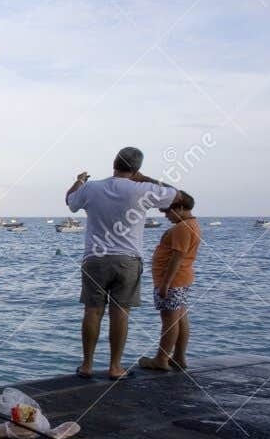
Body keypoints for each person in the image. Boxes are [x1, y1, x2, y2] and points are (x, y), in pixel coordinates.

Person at [63, 146, 181, 380]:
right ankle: (115, 367)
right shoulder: (142, 189)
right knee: (120, 313)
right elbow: (175, 194)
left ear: (114, 163)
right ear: (136, 168)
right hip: (128, 260)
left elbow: (70, 201)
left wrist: (78, 182)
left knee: (92, 311)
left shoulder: (91, 188)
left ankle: (86, 365)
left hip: (95, 258)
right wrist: (143, 177)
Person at [139, 191, 200, 372]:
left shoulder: (182, 228)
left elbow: (177, 257)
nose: (166, 216)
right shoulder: (192, 224)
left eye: (167, 212)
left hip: (173, 281)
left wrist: (165, 283)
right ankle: (179, 357)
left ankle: (161, 359)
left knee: (169, 320)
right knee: (180, 317)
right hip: (182, 279)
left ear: (180, 208)